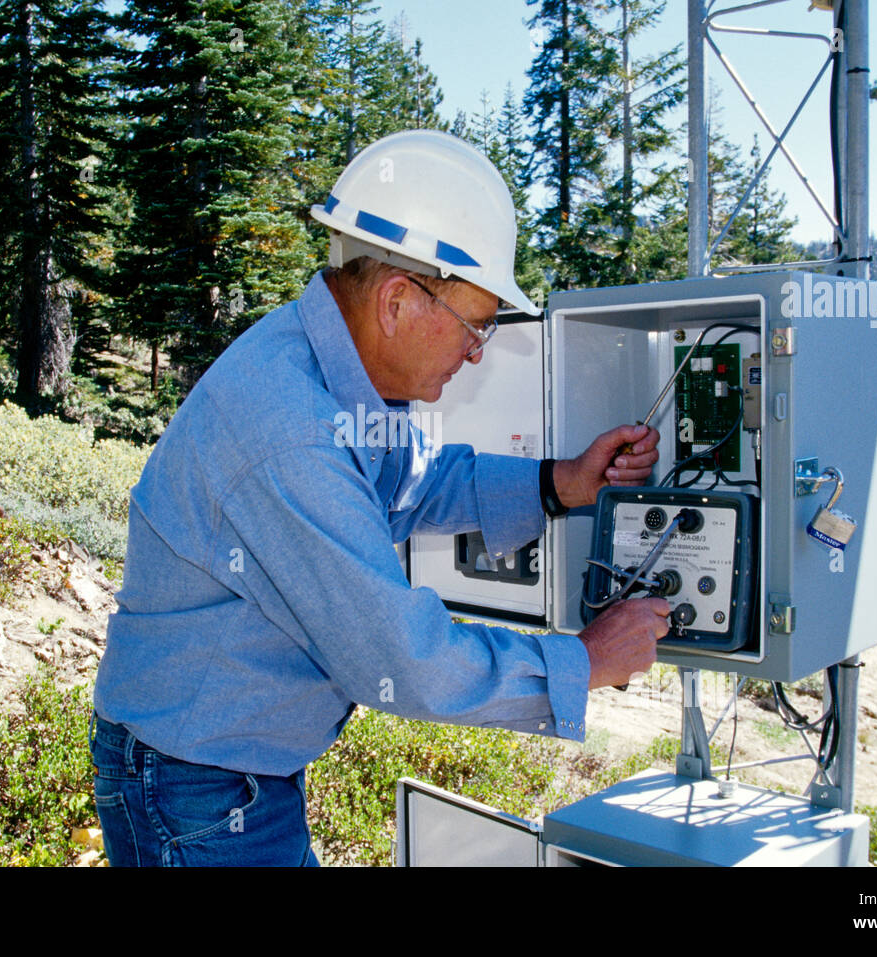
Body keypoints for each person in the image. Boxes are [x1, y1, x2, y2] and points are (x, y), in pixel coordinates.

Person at [90, 129, 670, 867]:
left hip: (222, 774)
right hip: (195, 786)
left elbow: (418, 478)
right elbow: (403, 655)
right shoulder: (291, 430)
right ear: (398, 300)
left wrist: (560, 481)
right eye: (476, 325)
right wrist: (583, 662)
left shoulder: (332, 369)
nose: (477, 352)